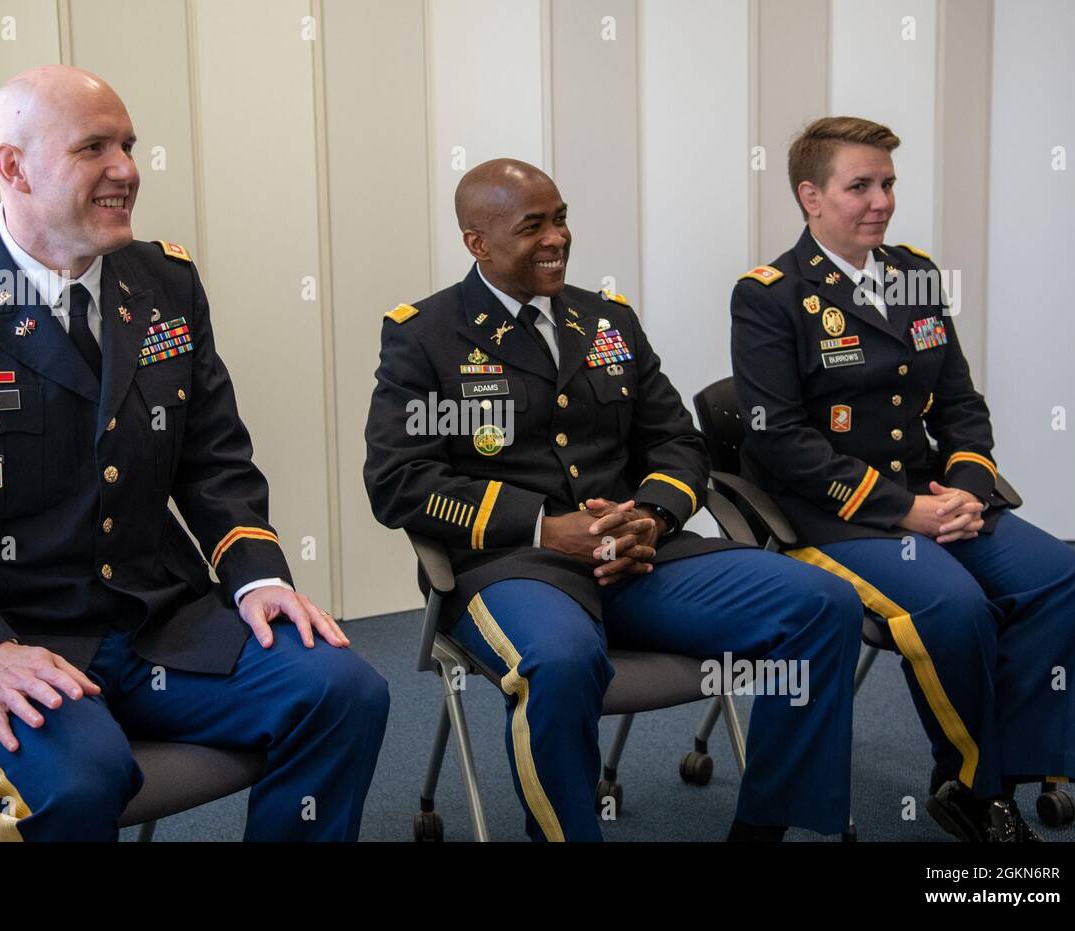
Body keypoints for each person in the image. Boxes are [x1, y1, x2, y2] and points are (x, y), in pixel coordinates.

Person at [0, 65, 388, 842]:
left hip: (162, 625)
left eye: (128, 145)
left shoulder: (163, 282)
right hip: (7, 637)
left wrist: (257, 575)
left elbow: (213, 457)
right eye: (94, 147)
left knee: (344, 690)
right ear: (13, 166)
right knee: (82, 778)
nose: (127, 169)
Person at [364, 158, 865, 842]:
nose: (557, 239)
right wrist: (546, 526)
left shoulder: (607, 321)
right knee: (562, 661)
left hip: (639, 553)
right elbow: (399, 480)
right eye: (532, 225)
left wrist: (653, 515)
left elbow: (678, 442)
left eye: (562, 218)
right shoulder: (425, 335)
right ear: (476, 242)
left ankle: (765, 827)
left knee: (823, 603)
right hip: (512, 567)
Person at [730, 115, 1075, 842]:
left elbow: (960, 402)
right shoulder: (769, 295)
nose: (881, 201)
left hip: (933, 497)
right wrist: (906, 513)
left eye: (889, 183)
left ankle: (990, 778)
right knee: (955, 606)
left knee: (1063, 579)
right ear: (810, 196)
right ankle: (975, 783)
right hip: (831, 516)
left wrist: (966, 486)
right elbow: (782, 445)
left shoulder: (916, 275)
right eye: (859, 185)